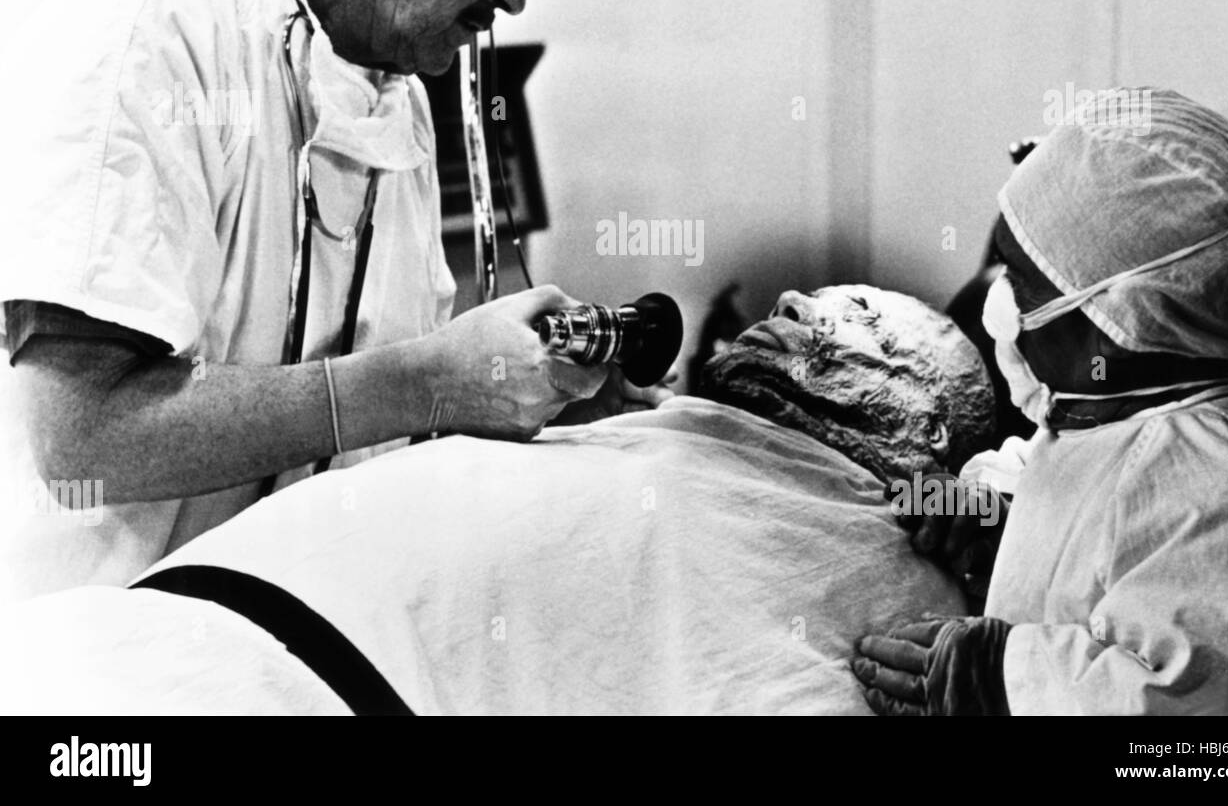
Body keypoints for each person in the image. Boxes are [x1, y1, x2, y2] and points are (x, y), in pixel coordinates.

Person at [0, 0, 665, 603]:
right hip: (107, 665)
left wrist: (521, 400)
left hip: (289, 650)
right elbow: (85, 440)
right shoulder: (155, 27)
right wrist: (427, 380)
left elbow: (361, 424)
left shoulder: (395, 96)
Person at [0, 285, 995, 715]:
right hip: (132, 634)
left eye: (857, 320)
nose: (797, 308)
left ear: (927, 425)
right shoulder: (657, 430)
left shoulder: (877, 545)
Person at [853, 89, 1228, 715]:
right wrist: (993, 513)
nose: (1002, 300)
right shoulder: (1107, 407)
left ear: (1112, 322)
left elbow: (1189, 718)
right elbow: (1071, 497)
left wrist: (992, 680)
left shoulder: (1216, 483)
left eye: (1021, 280)